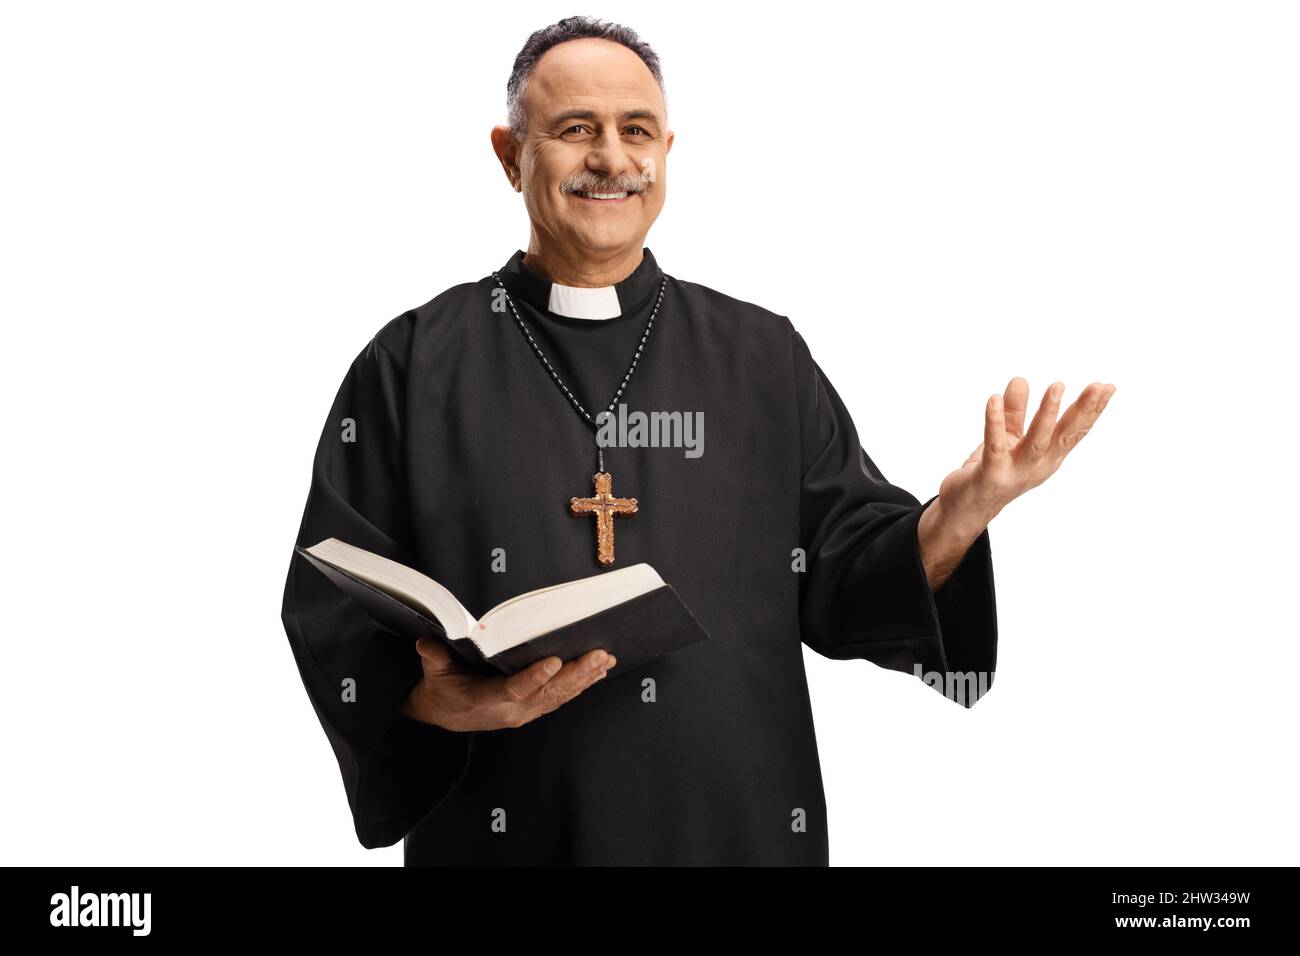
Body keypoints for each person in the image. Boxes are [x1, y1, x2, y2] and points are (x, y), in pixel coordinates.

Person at [280, 15, 1115, 865]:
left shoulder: (761, 355)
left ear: (667, 151)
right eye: (576, 131)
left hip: (739, 832)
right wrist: (429, 703)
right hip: (508, 833)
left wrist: (958, 516)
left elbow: (849, 583)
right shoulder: (414, 362)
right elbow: (335, 598)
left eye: (636, 131)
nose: (612, 158)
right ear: (509, 154)